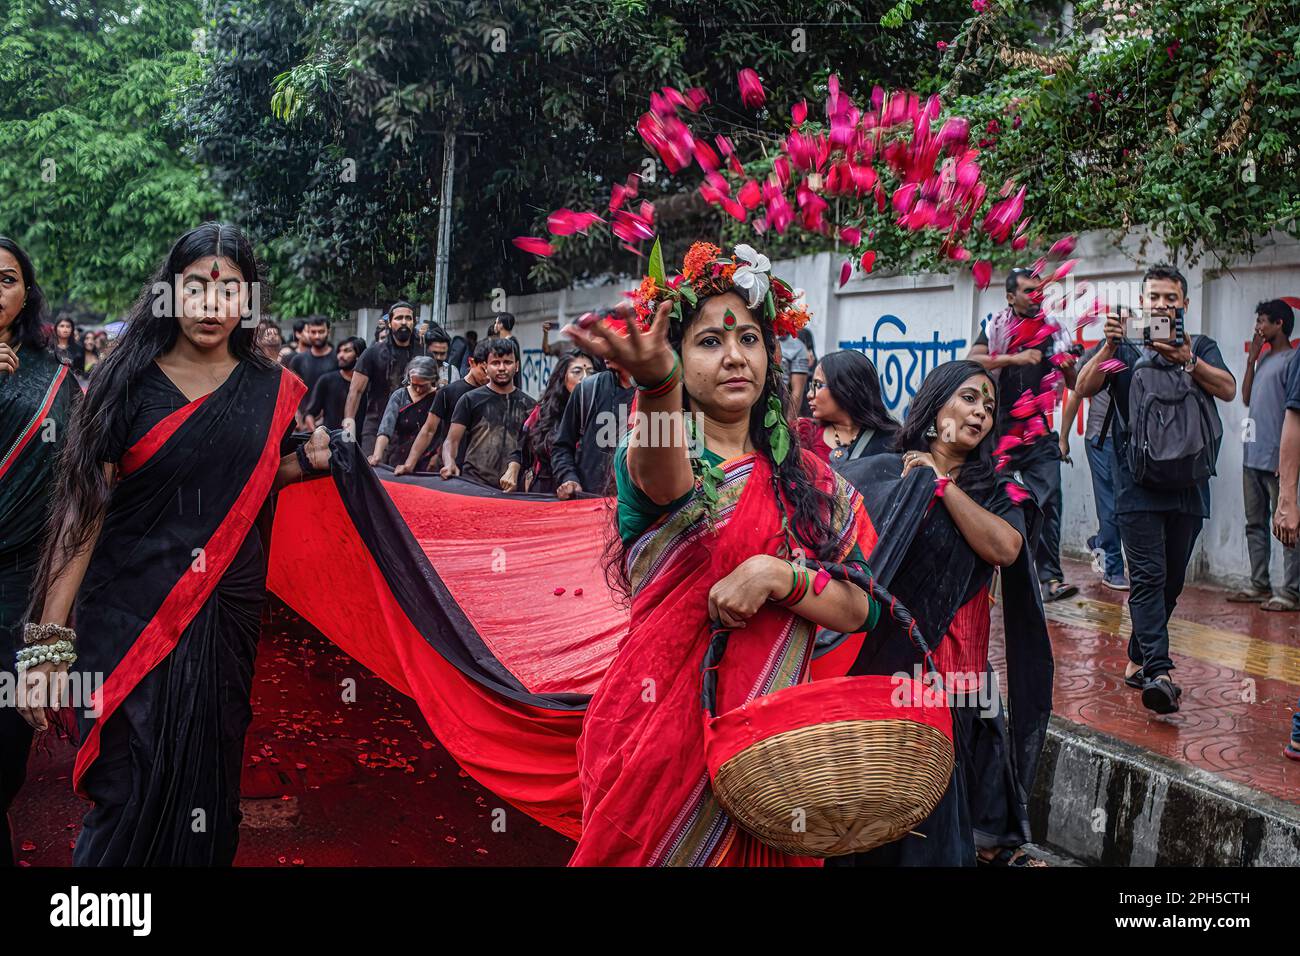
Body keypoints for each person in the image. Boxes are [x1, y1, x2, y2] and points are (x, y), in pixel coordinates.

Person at [20, 222, 330, 866]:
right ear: (169, 293)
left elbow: (241, 479)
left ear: (249, 301)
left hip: (223, 617)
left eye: (228, 291)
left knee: (207, 789)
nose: (210, 307)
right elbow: (83, 510)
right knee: (127, 788)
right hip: (131, 614)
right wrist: (47, 646)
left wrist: (314, 463)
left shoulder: (270, 390)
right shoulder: (125, 382)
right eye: (195, 289)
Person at [562, 240, 878, 866]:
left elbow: (860, 609)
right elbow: (663, 471)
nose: (734, 356)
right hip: (660, 745)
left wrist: (778, 576)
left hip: (772, 765)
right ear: (678, 354)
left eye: (750, 340)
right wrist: (657, 387)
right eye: (708, 341)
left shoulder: (810, 482)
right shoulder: (656, 455)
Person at [834, 360, 1052, 867]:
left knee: (945, 830)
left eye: (990, 407)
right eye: (969, 398)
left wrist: (941, 487)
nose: (980, 413)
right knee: (881, 825)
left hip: (960, 680)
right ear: (936, 405)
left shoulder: (998, 488)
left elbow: (1006, 548)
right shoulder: (885, 471)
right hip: (885, 672)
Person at [1075, 264, 1236, 714]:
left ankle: (1135, 658)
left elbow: (1227, 389)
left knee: (1172, 583)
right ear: (1143, 303)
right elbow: (1084, 387)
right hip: (1137, 485)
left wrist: (1188, 358)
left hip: (1189, 485)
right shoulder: (1122, 349)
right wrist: (1108, 344)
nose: (1163, 306)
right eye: (1156, 299)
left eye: (1171, 298)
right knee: (1147, 579)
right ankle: (1159, 673)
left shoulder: (1200, 346)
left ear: (1185, 302)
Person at [0, 236, 79, 866]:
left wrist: (51, 635)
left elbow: (81, 503)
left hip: (14, 587)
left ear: (27, 296)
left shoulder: (56, 387)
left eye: (5, 279)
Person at [969, 267, 1080, 603]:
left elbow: (1074, 383)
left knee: (1049, 500)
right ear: (1010, 297)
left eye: (1039, 290)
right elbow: (973, 360)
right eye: (1029, 291)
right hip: (996, 429)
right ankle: (987, 577)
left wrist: (1067, 364)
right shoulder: (994, 323)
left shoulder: (1054, 327)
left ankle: (1050, 579)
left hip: (1038, 430)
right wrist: (1015, 357)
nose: (1037, 296)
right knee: (989, 500)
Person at [1230, 299, 1297, 610]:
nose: (1257, 327)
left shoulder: (1293, 360)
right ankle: (1259, 583)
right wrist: (1251, 361)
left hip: (1275, 459)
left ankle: (1291, 591)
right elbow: (1245, 397)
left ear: (1279, 324)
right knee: (1254, 524)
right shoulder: (1265, 360)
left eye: (1262, 321)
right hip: (1252, 456)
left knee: (1286, 528)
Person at [550, 312, 637, 498]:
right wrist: (569, 478)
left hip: (642, 513)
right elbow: (561, 446)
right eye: (598, 341)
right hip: (589, 505)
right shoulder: (588, 390)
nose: (602, 349)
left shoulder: (658, 392)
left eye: (610, 341)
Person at [440, 340, 535, 488]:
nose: (502, 368)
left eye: (508, 362)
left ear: (516, 366)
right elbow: (451, 441)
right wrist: (450, 462)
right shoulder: (469, 399)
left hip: (513, 488)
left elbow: (531, 451)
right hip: (474, 485)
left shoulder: (529, 406)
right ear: (486, 366)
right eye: (496, 363)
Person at [1060, 385, 1128, 590]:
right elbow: (1077, 392)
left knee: (1128, 506)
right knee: (1109, 506)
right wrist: (1063, 439)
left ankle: (1100, 542)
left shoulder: (1145, 353)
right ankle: (1113, 569)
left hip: (1132, 441)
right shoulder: (1098, 357)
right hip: (1102, 439)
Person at [502, 350, 597, 494]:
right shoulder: (543, 412)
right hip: (543, 495)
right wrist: (513, 470)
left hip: (587, 495)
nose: (584, 378)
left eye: (591, 373)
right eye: (577, 372)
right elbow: (520, 451)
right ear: (562, 378)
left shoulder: (604, 414)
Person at [395, 340, 489, 476]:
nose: (487, 376)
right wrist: (409, 464)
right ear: (472, 362)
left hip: (484, 469)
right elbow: (428, 430)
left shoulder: (494, 395)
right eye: (483, 370)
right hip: (451, 467)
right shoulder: (448, 393)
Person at [796, 350, 898, 469]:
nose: (809, 394)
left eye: (818, 385)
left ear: (846, 388)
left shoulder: (891, 441)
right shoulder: (803, 434)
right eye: (811, 386)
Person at [344, 301, 419, 455]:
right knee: (372, 474)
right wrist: (349, 423)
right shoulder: (372, 353)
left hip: (411, 431)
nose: (404, 322)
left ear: (414, 322)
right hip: (375, 427)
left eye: (408, 318)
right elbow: (355, 391)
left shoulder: (423, 353)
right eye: (399, 318)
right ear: (389, 323)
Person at [370, 357, 438, 469]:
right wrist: (377, 454)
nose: (418, 390)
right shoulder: (400, 396)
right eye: (414, 384)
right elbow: (386, 428)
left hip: (428, 461)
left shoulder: (439, 396)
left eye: (423, 386)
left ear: (432, 379)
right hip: (399, 456)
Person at [303, 335, 365, 431]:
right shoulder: (326, 380)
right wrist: (316, 436)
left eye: (347, 351)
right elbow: (309, 414)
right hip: (332, 442)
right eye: (339, 351)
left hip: (362, 442)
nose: (340, 355)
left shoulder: (369, 384)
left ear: (359, 355)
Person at [288, 315, 336, 425]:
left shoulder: (338, 359)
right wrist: (297, 415)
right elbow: (290, 392)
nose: (317, 336)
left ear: (328, 331)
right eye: (313, 332)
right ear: (308, 332)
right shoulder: (298, 361)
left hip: (332, 422)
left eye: (321, 331)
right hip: (304, 424)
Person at [777, 330, 810, 419]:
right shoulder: (759, 336)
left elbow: (797, 392)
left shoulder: (798, 347)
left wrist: (789, 423)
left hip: (779, 404)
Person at [489, 312, 524, 389]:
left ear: (501, 325)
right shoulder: (511, 341)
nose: (495, 325)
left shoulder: (511, 343)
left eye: (496, 322)